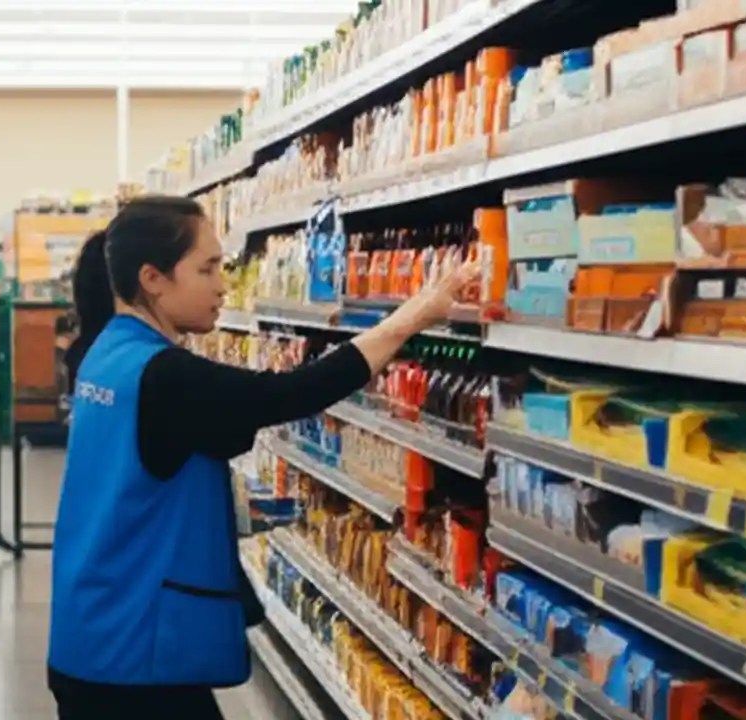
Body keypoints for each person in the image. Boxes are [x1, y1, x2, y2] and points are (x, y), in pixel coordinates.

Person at [47, 196, 479, 720]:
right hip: (134, 656)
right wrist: (413, 316)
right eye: (207, 268)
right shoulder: (164, 374)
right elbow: (290, 394)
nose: (222, 285)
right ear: (152, 278)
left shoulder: (107, 353)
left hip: (92, 629)